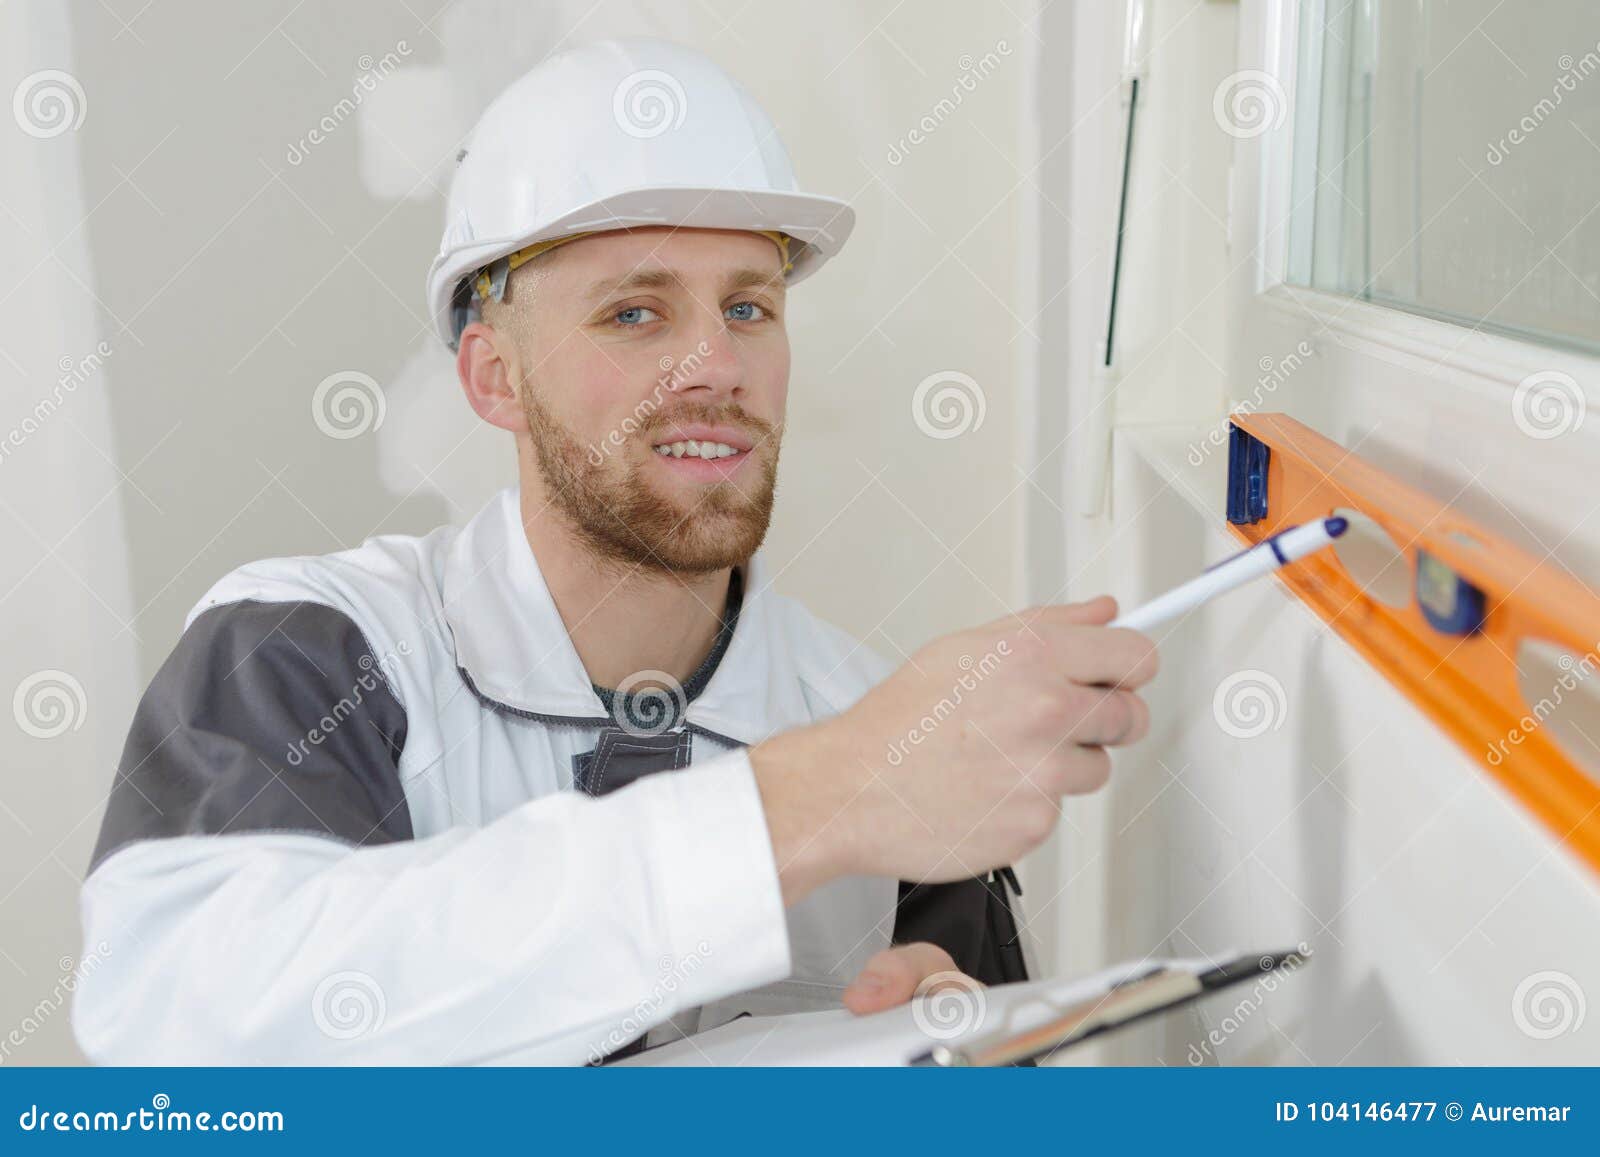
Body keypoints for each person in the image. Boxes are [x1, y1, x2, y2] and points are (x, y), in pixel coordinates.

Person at [73, 37, 1156, 1065]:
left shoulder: (882, 720)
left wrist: (929, 1067)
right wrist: (805, 803)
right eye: (635, 312)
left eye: (747, 306)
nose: (713, 365)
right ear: (494, 377)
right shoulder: (312, 653)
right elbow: (176, 1032)